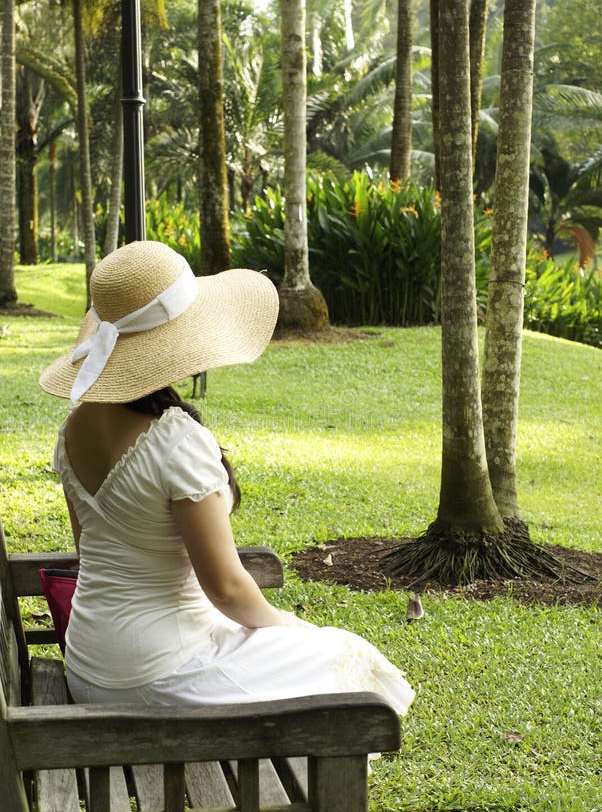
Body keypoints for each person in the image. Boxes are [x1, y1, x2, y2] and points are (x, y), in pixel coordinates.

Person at [40, 240, 415, 715]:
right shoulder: (177, 441)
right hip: (159, 676)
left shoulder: (72, 429)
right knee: (349, 656)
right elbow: (226, 588)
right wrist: (286, 624)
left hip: (89, 665)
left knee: (317, 650)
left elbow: (89, 549)